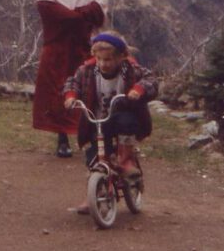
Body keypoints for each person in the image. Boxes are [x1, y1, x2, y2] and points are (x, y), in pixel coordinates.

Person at [33, 0, 108, 157]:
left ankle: (89, 135)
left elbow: (98, 6)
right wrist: (77, 16)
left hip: (80, 43)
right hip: (57, 41)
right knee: (57, 87)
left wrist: (76, 16)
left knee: (86, 87)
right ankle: (61, 137)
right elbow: (46, 6)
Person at [63, 31, 157, 212]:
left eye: (108, 60)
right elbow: (72, 83)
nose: (103, 64)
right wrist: (71, 96)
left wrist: (138, 90)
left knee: (126, 121)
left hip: (123, 116)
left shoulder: (130, 70)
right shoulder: (87, 71)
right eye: (99, 59)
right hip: (98, 119)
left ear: (121, 57)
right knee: (94, 155)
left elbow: (151, 80)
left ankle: (126, 160)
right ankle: (94, 193)